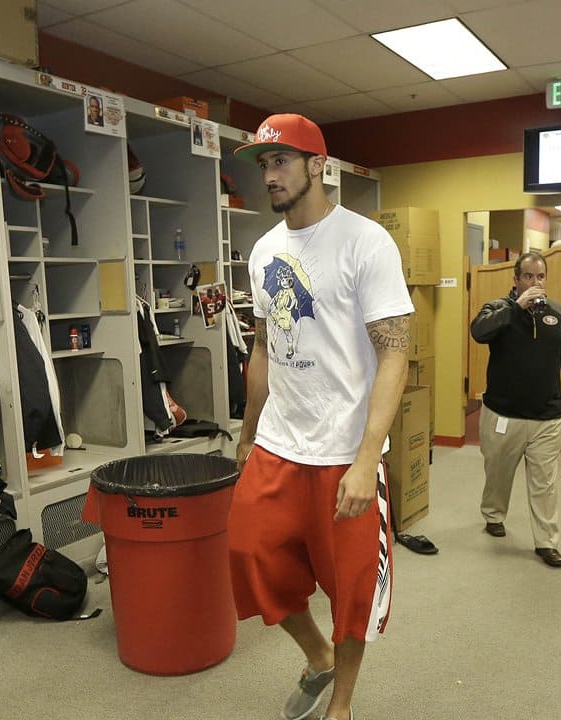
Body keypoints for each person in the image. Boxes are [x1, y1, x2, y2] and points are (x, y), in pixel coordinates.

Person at [227, 113, 414, 720]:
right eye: (263, 164)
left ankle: (342, 704)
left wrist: (366, 461)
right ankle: (317, 656)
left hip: (343, 451)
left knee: (351, 591)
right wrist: (248, 432)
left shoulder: (364, 241)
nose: (270, 175)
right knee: (251, 558)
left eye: (280, 162)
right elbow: (261, 345)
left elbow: (395, 353)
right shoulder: (263, 250)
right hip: (280, 441)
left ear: (317, 166)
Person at [471, 251, 561, 568]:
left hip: (546, 417)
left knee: (545, 484)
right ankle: (494, 515)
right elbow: (479, 332)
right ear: (516, 279)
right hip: (503, 415)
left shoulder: (557, 313)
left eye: (540, 277)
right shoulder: (498, 308)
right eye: (528, 277)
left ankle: (546, 542)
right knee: (498, 473)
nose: (535, 282)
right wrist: (513, 309)